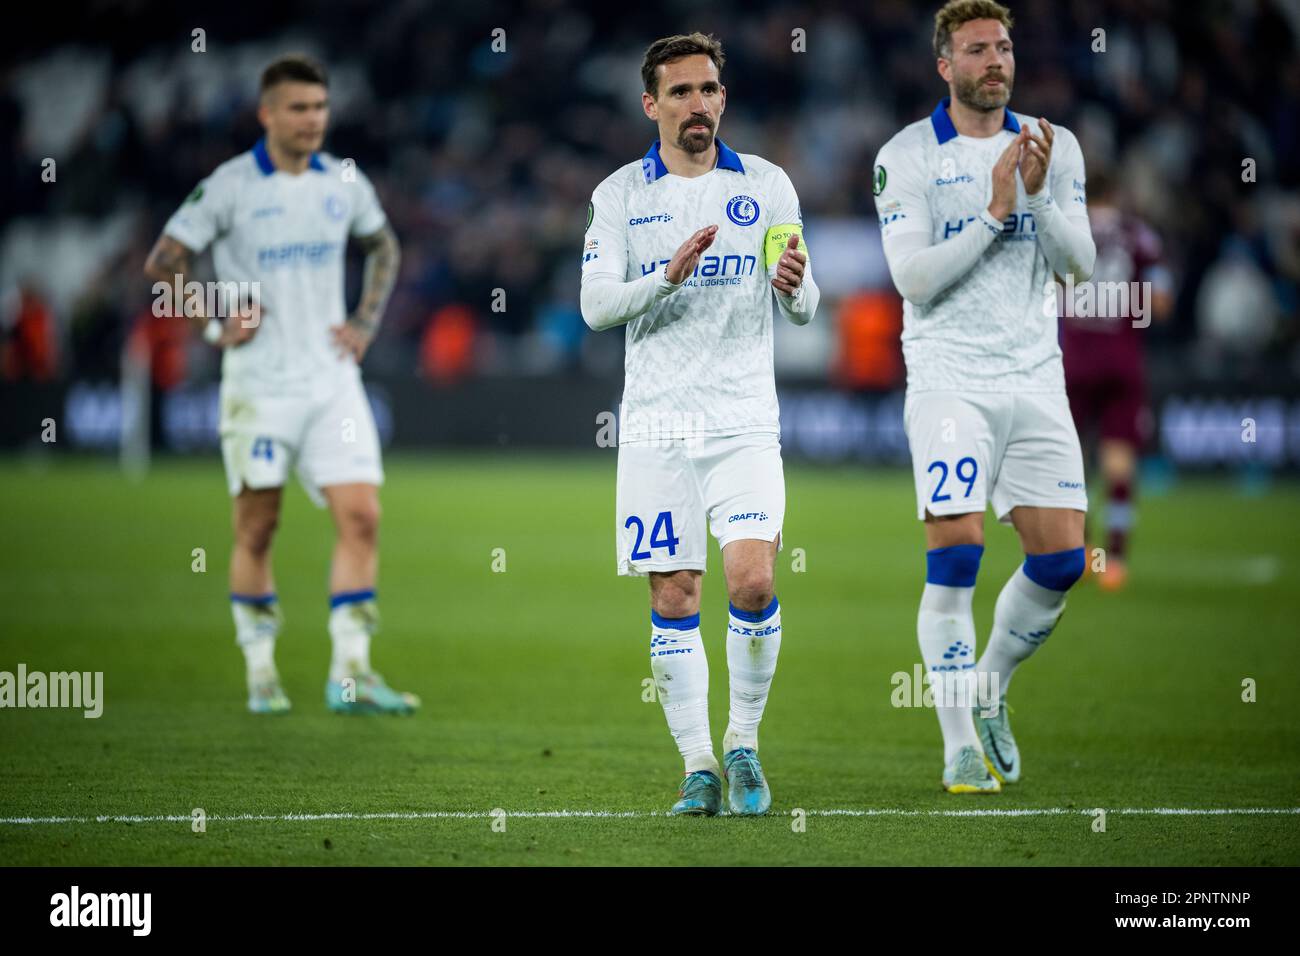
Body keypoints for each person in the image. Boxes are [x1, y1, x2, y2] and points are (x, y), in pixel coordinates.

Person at [581, 33, 819, 816]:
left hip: (744, 419)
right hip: (654, 426)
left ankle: (745, 744)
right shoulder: (619, 195)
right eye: (679, 92)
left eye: (708, 89)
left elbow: (807, 301)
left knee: (753, 579)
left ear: (724, 99)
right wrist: (663, 276)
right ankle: (699, 765)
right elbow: (594, 306)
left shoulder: (767, 185)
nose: (697, 104)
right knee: (677, 592)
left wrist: (794, 288)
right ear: (651, 104)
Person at [143, 54, 415, 715]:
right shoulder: (231, 185)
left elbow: (384, 246)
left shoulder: (343, 181)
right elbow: (162, 265)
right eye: (298, 108)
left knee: (363, 516)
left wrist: (364, 322)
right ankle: (261, 672)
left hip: (331, 378)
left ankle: (350, 675)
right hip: (259, 386)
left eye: (320, 107)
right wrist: (212, 318)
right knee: (258, 527)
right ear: (267, 113)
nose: (312, 119)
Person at [873, 0, 1096, 792]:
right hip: (949, 383)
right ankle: (958, 744)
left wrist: (1033, 196)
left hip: (1035, 378)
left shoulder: (1053, 144)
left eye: (1003, 47)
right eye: (977, 51)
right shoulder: (906, 156)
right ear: (946, 67)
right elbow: (914, 280)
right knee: (959, 552)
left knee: (1064, 559)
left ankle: (990, 686)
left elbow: (1081, 270)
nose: (995, 61)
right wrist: (997, 214)